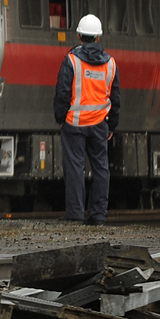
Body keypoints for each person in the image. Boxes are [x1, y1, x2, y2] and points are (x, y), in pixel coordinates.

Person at [52, 14, 121, 225]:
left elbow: (63, 93)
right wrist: (111, 125)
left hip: (74, 123)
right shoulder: (110, 64)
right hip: (100, 124)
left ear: (80, 36)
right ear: (98, 38)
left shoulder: (71, 60)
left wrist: (60, 118)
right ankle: (98, 214)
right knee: (101, 168)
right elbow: (115, 97)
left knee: (75, 169)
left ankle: (75, 214)